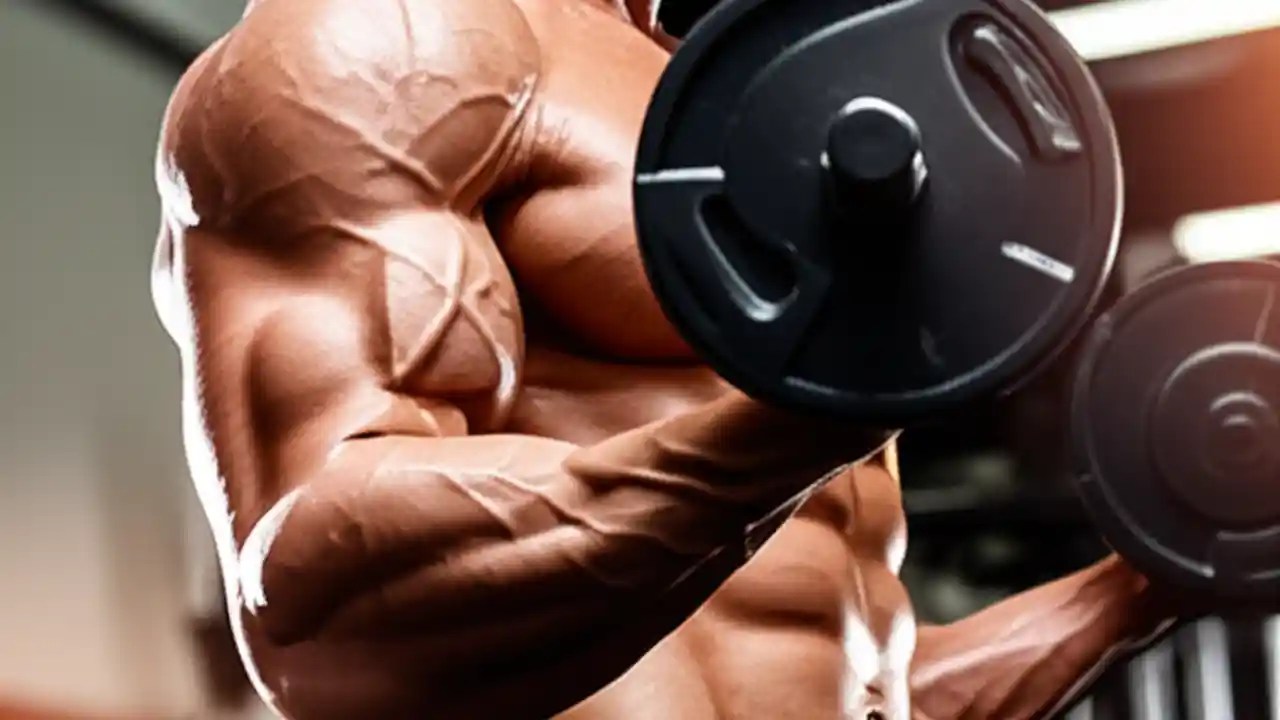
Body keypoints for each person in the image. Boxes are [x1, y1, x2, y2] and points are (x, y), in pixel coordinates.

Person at [149, 0, 1184, 717]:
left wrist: (1149, 583)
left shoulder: (744, 99)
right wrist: (812, 419)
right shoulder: (395, 37)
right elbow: (319, 614)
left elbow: (851, 678)